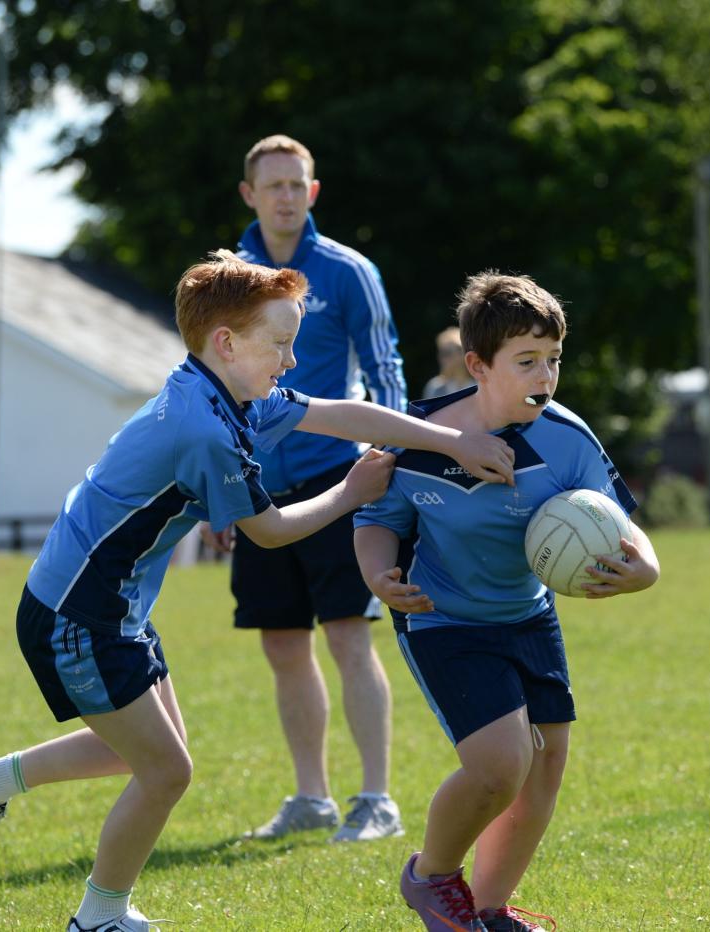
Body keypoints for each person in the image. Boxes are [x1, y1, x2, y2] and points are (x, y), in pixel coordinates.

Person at [0, 252, 515, 932]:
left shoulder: (219, 392)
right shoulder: (205, 427)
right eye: (280, 344)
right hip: (79, 616)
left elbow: (341, 414)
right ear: (226, 342)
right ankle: (97, 918)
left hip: (107, 609)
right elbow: (268, 531)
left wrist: (449, 439)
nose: (291, 361)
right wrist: (350, 492)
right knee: (166, 772)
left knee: (146, 751)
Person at [353, 271, 660, 932]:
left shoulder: (567, 439)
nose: (544, 375)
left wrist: (645, 570)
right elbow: (375, 519)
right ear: (476, 365)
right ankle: (430, 878)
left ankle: (485, 913)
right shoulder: (419, 435)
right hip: (443, 619)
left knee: (544, 767)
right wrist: (380, 575)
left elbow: (621, 525)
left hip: (529, 614)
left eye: (552, 360)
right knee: (499, 765)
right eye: (526, 362)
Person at [201, 134, 411, 842]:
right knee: (284, 645)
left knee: (349, 634)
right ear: (248, 195)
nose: (286, 196)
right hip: (254, 485)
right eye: (273, 186)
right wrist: (215, 491)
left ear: (312, 192)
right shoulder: (223, 282)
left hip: (338, 480)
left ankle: (375, 799)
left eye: (297, 184)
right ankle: (311, 797)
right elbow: (208, 391)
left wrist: (389, 467)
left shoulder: (349, 273)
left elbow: (386, 374)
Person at [422, 326, 476, 399]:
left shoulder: (480, 385)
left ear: (462, 353)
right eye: (441, 353)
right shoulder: (435, 387)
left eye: (446, 353)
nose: (442, 359)